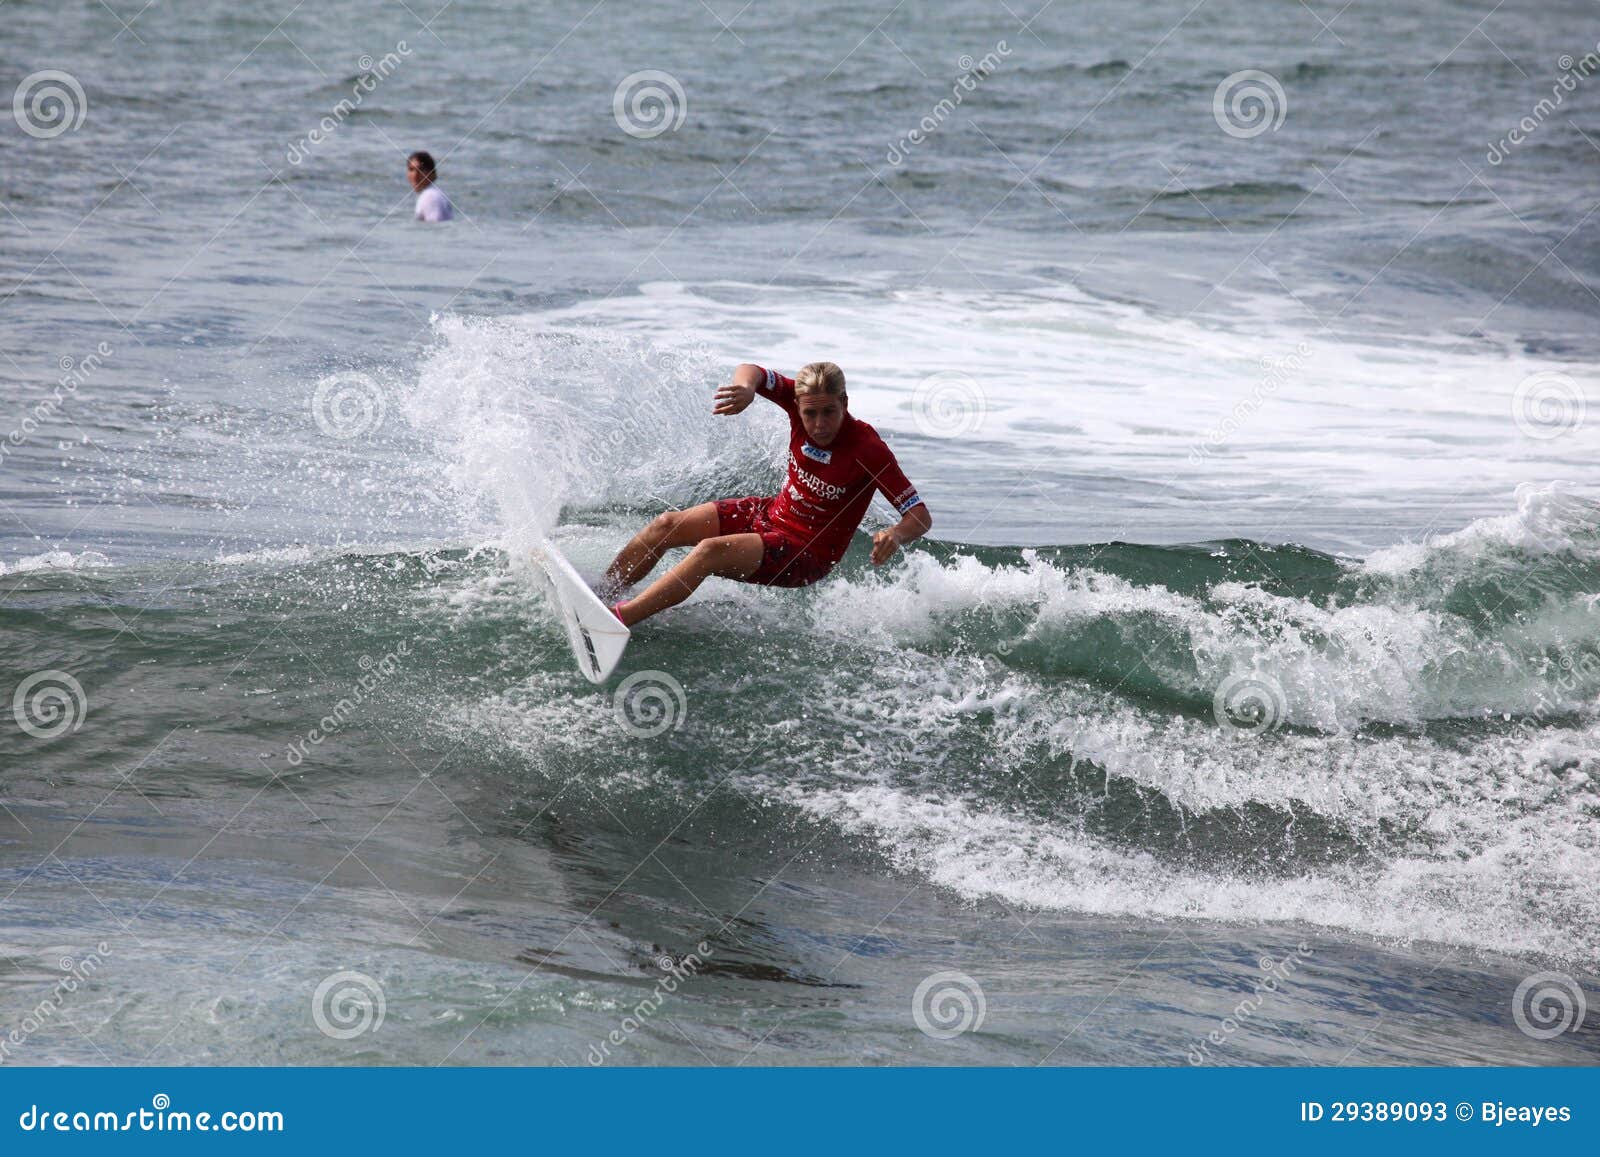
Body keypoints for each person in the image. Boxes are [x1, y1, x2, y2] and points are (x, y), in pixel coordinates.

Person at [601, 361, 932, 627]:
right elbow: (753, 372)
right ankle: (602, 594)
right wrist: (746, 388)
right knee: (665, 525)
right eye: (810, 414)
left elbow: (919, 515)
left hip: (806, 553)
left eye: (828, 412)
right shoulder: (796, 397)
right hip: (769, 515)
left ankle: (618, 620)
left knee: (709, 552)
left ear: (844, 403)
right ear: (798, 406)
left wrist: (897, 534)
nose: (818, 424)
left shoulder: (868, 449)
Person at [407, 150, 452, 222]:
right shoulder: (435, 194)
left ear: (433, 174)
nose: (415, 175)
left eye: (421, 170)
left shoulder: (430, 197)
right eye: (411, 169)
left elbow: (436, 229)